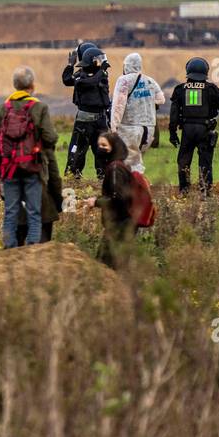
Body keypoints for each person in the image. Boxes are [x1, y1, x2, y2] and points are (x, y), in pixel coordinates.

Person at [0, 66, 58, 248]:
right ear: (32, 85)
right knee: (34, 212)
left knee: (10, 212)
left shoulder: (2, 109)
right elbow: (50, 137)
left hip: (8, 169)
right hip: (31, 167)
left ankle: (10, 251)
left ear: (14, 85)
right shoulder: (39, 107)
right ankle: (32, 250)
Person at [168, 57, 219, 196]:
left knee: (184, 160)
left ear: (188, 71)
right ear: (206, 72)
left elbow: (174, 114)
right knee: (205, 161)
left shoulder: (180, 89)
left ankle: (184, 190)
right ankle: (205, 190)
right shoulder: (211, 88)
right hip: (205, 129)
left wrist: (172, 133)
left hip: (187, 129)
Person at [108, 52, 165, 174]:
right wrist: (145, 102)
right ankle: (138, 185)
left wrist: (114, 126)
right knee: (137, 160)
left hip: (130, 127)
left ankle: (134, 187)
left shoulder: (123, 81)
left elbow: (119, 105)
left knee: (129, 162)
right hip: (149, 128)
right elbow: (161, 99)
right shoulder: (150, 81)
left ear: (126, 66)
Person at [62, 42, 112, 179]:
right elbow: (69, 80)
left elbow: (96, 80)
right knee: (77, 150)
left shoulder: (101, 75)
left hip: (100, 120)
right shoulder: (81, 77)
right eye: (97, 60)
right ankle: (73, 175)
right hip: (84, 120)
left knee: (102, 150)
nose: (100, 62)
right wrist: (69, 65)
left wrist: (102, 71)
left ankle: (104, 176)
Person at [93, 131, 138, 268]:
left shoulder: (115, 170)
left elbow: (117, 199)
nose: (100, 148)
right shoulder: (120, 166)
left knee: (105, 265)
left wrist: (96, 202)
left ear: (114, 147)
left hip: (120, 225)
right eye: (99, 145)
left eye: (104, 145)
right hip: (123, 224)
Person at [16, 148, 64, 246]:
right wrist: (58, 204)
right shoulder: (44, 147)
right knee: (42, 252)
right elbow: (54, 179)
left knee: (16, 253)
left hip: (18, 208)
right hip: (43, 207)